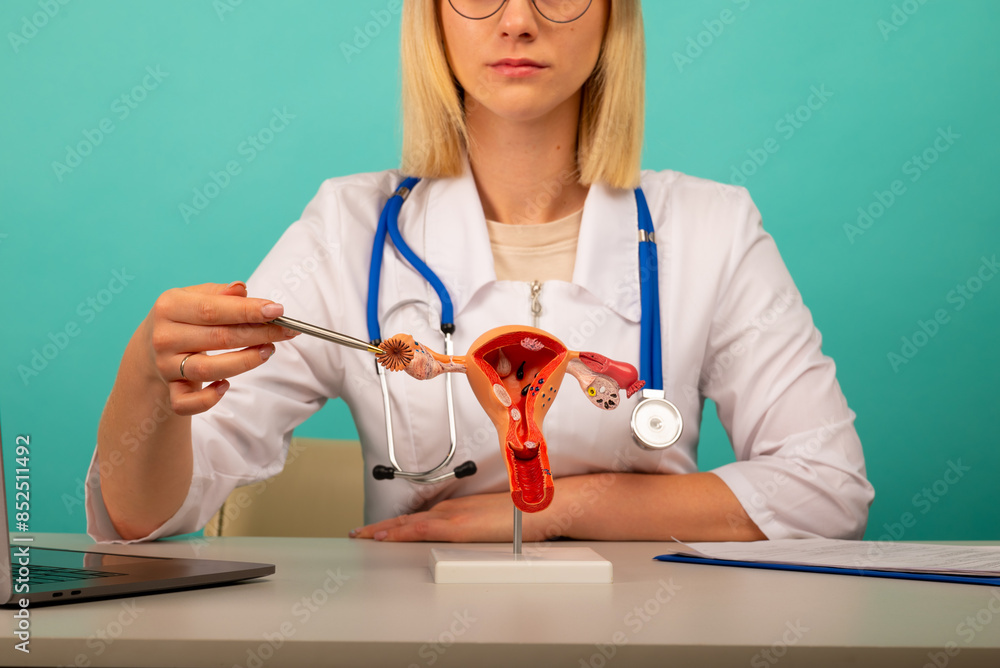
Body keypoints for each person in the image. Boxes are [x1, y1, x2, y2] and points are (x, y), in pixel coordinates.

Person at [87, 0, 873, 544]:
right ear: (429, 15)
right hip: (419, 635)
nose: (518, 20)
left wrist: (559, 509)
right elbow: (146, 519)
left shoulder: (710, 227)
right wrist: (146, 381)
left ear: (613, 15)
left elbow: (829, 489)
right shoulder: (350, 229)